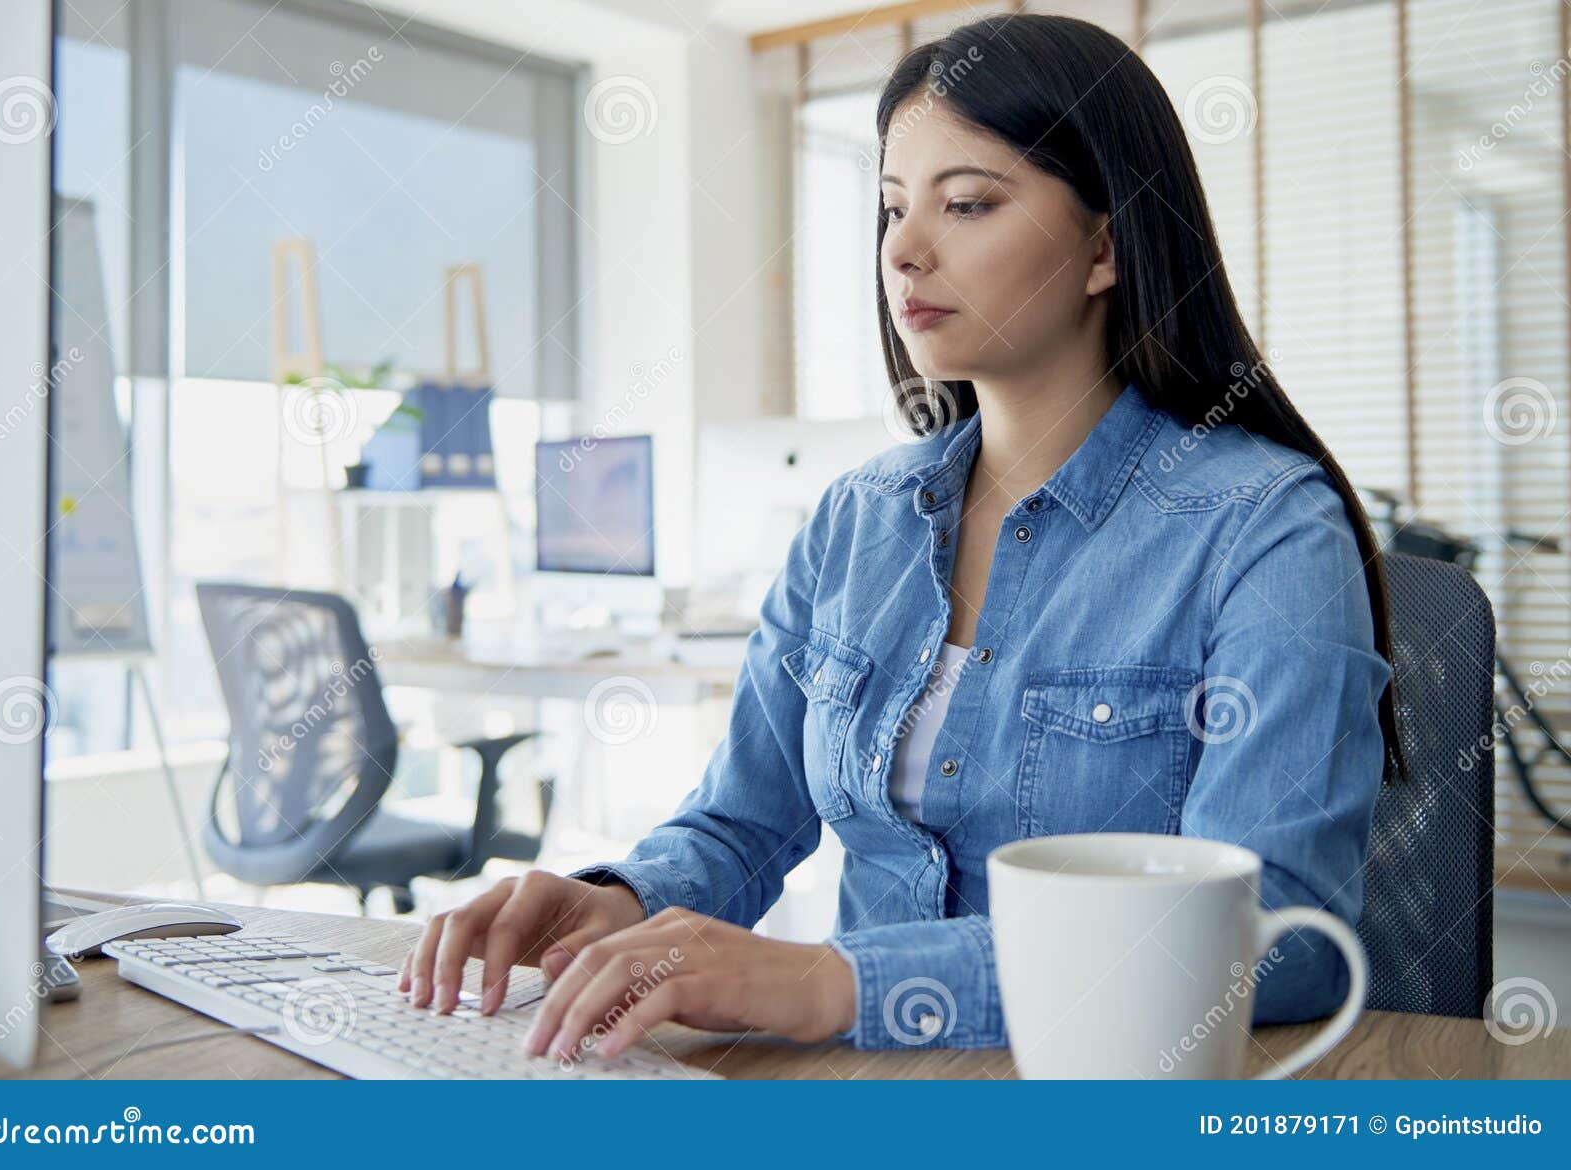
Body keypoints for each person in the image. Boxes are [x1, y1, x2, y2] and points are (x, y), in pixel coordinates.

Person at [400, 12, 1405, 1062]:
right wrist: (616, 900)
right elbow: (741, 823)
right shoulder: (855, 521)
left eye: (966, 203)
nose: (904, 250)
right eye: (890, 209)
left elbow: (1280, 938)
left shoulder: (1265, 528)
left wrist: (835, 980)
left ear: (1106, 246)